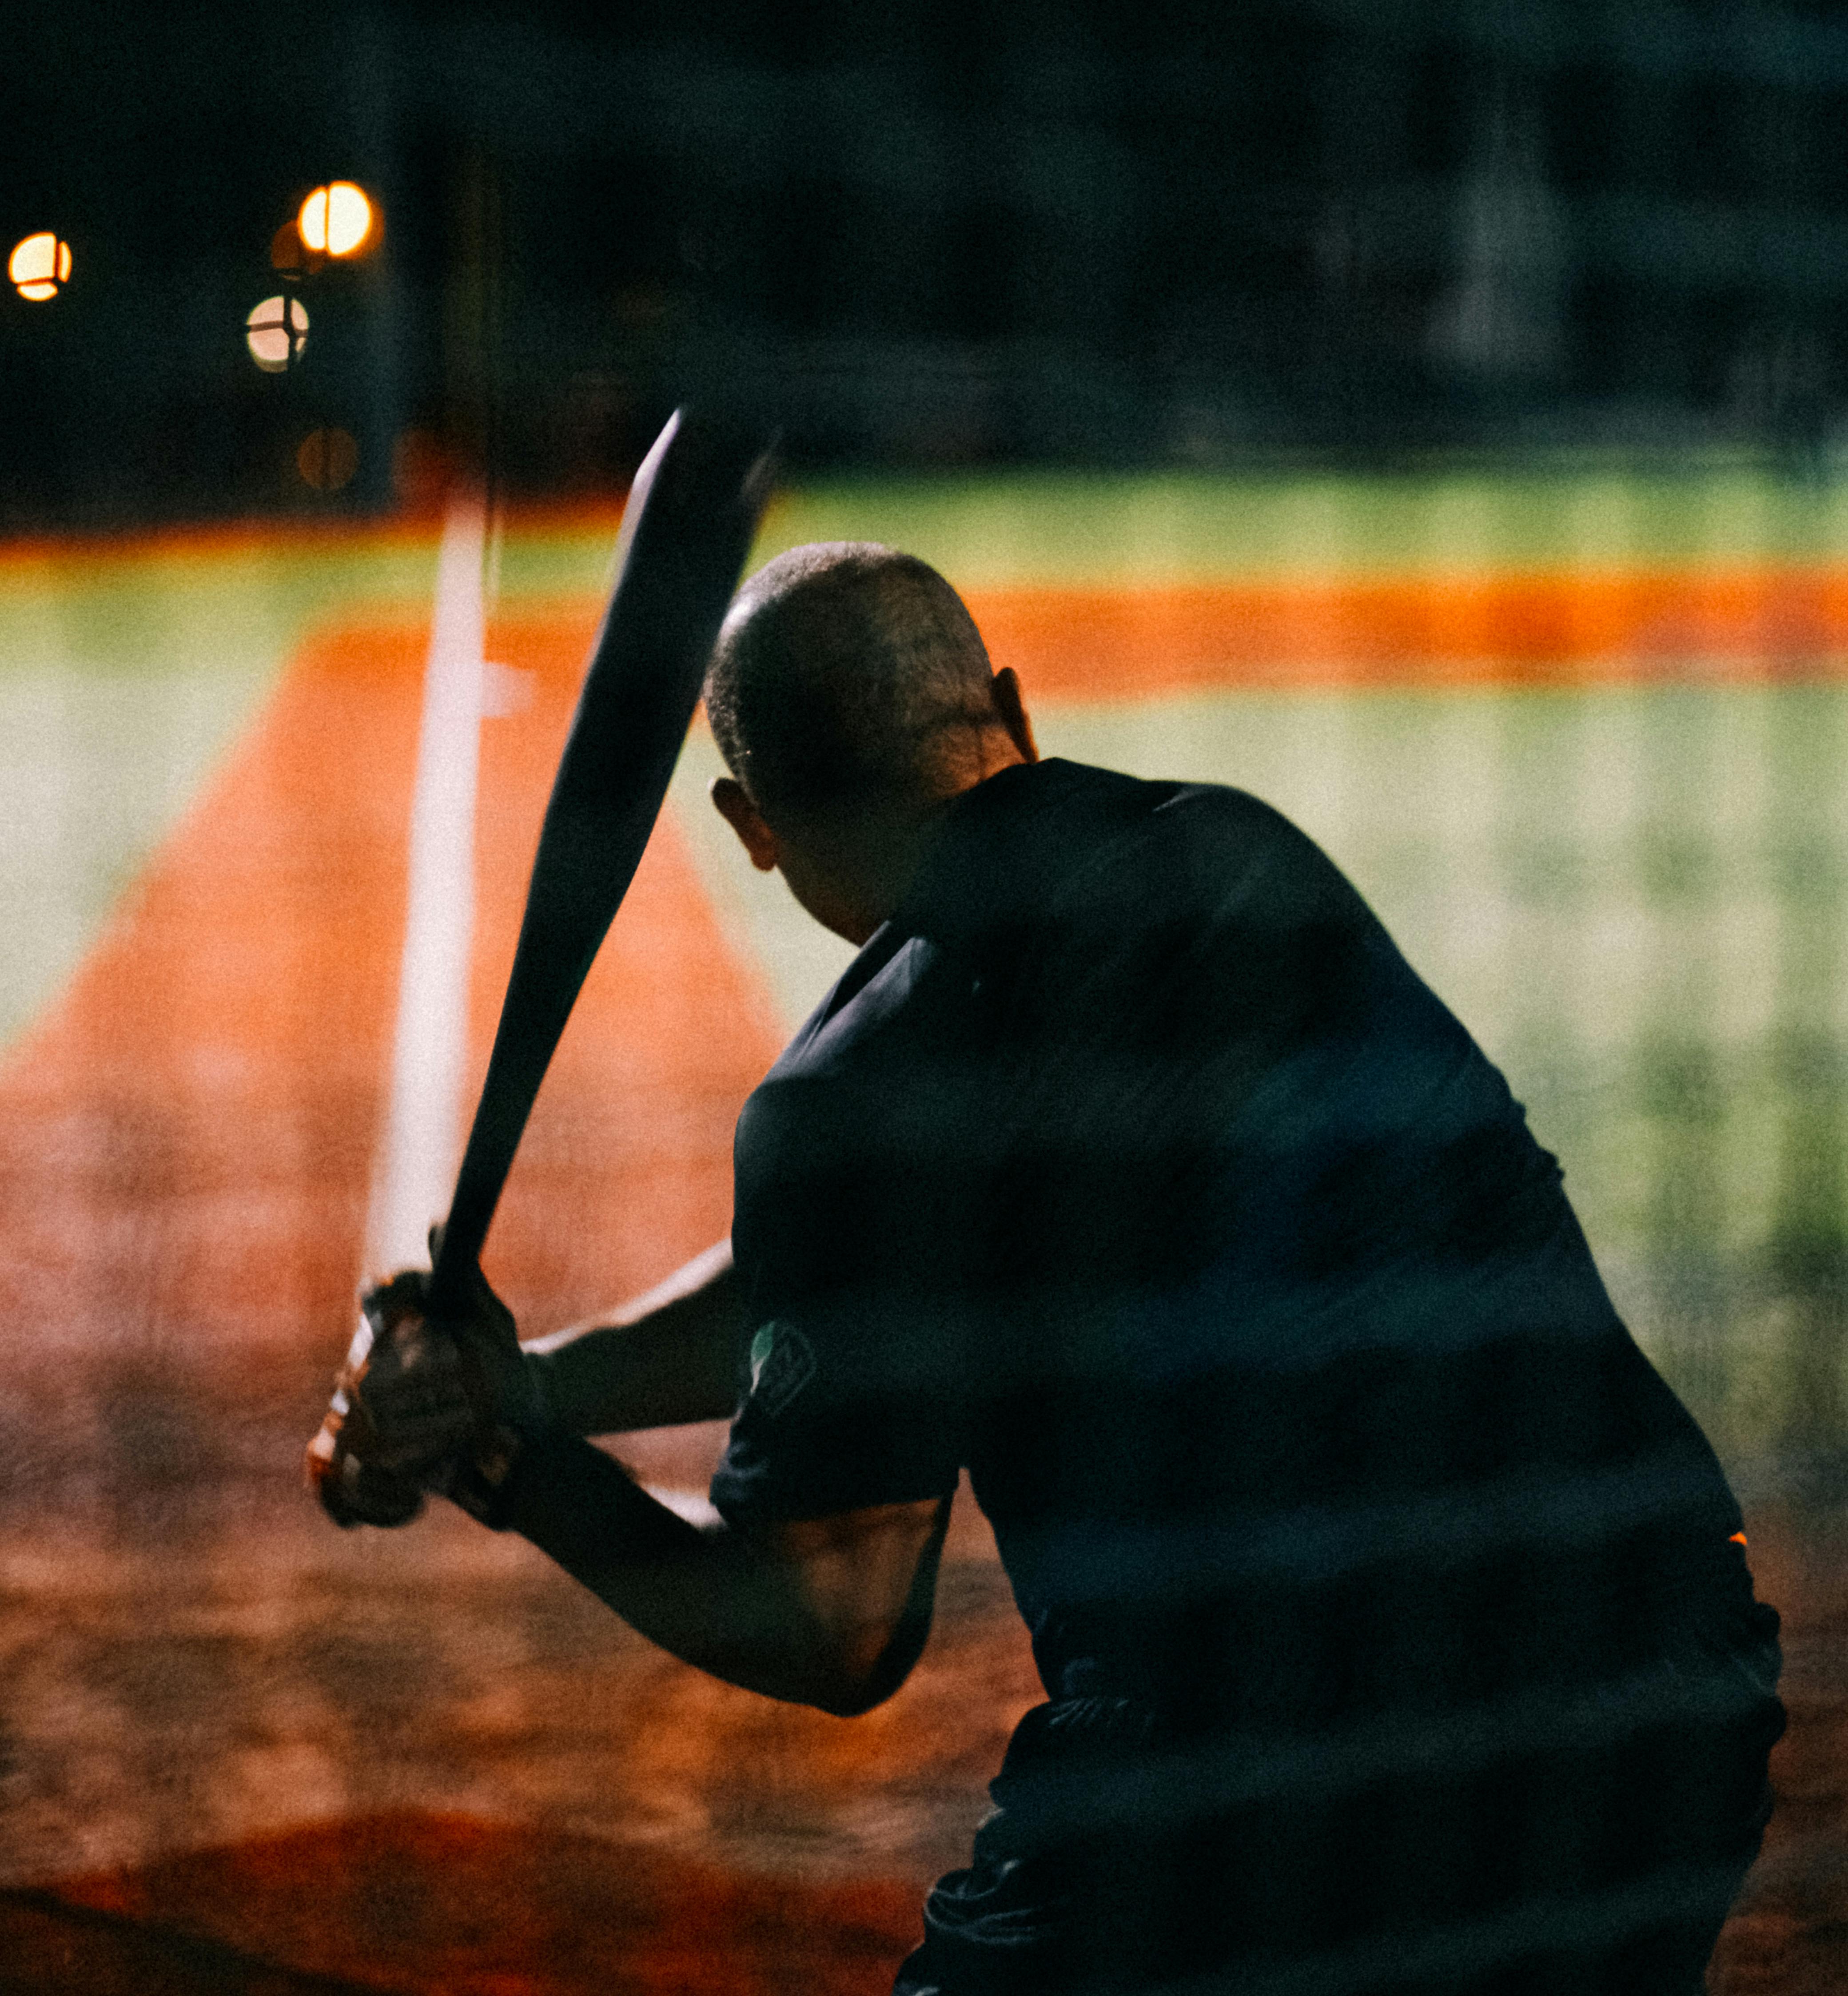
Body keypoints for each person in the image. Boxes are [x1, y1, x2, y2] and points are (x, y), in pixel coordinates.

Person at [343, 541, 1783, 1995]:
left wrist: (516, 1470)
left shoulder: (850, 1108)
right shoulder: (1241, 853)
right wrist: (528, 1386)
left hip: (1266, 1788)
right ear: (1012, 710)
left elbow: (834, 1628)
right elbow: (872, 1269)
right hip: (1655, 1688)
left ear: (752, 824)